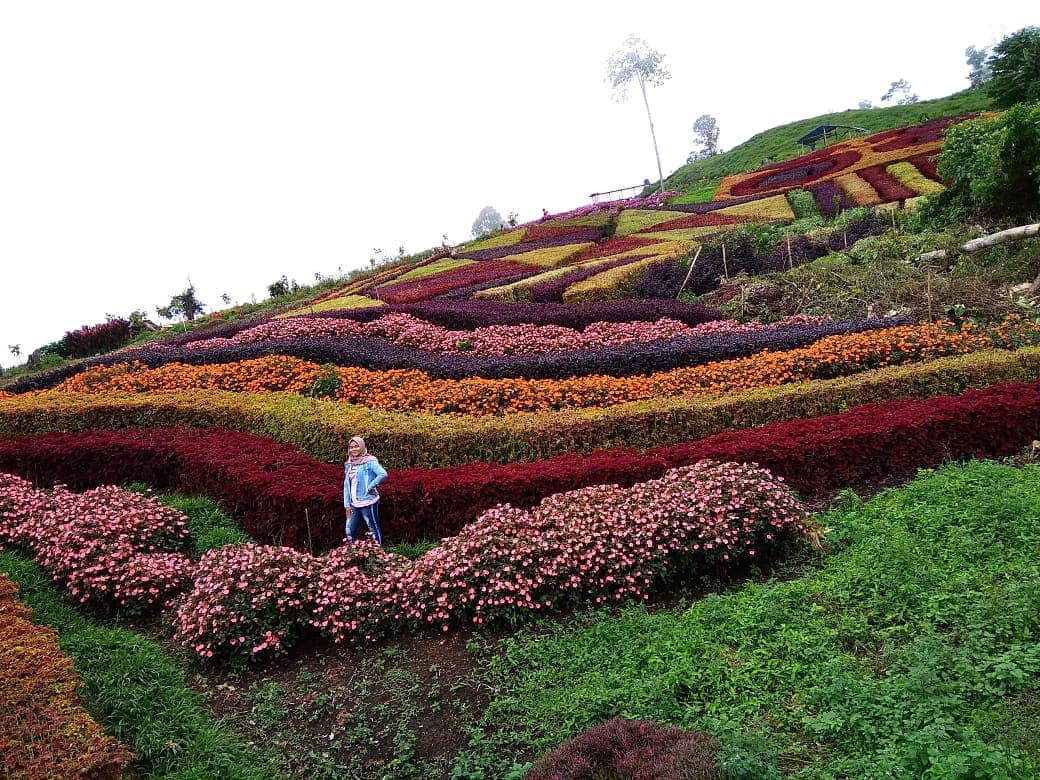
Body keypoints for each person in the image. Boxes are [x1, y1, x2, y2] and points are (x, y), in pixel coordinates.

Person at [343, 436, 387, 545]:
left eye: (356, 446)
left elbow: (383, 474)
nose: (353, 449)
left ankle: (378, 555)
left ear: (362, 446)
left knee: (373, 529)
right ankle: (351, 555)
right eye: (351, 447)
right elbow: (346, 485)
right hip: (353, 504)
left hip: (368, 502)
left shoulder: (369, 461)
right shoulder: (349, 464)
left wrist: (371, 486)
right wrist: (347, 504)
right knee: (349, 530)